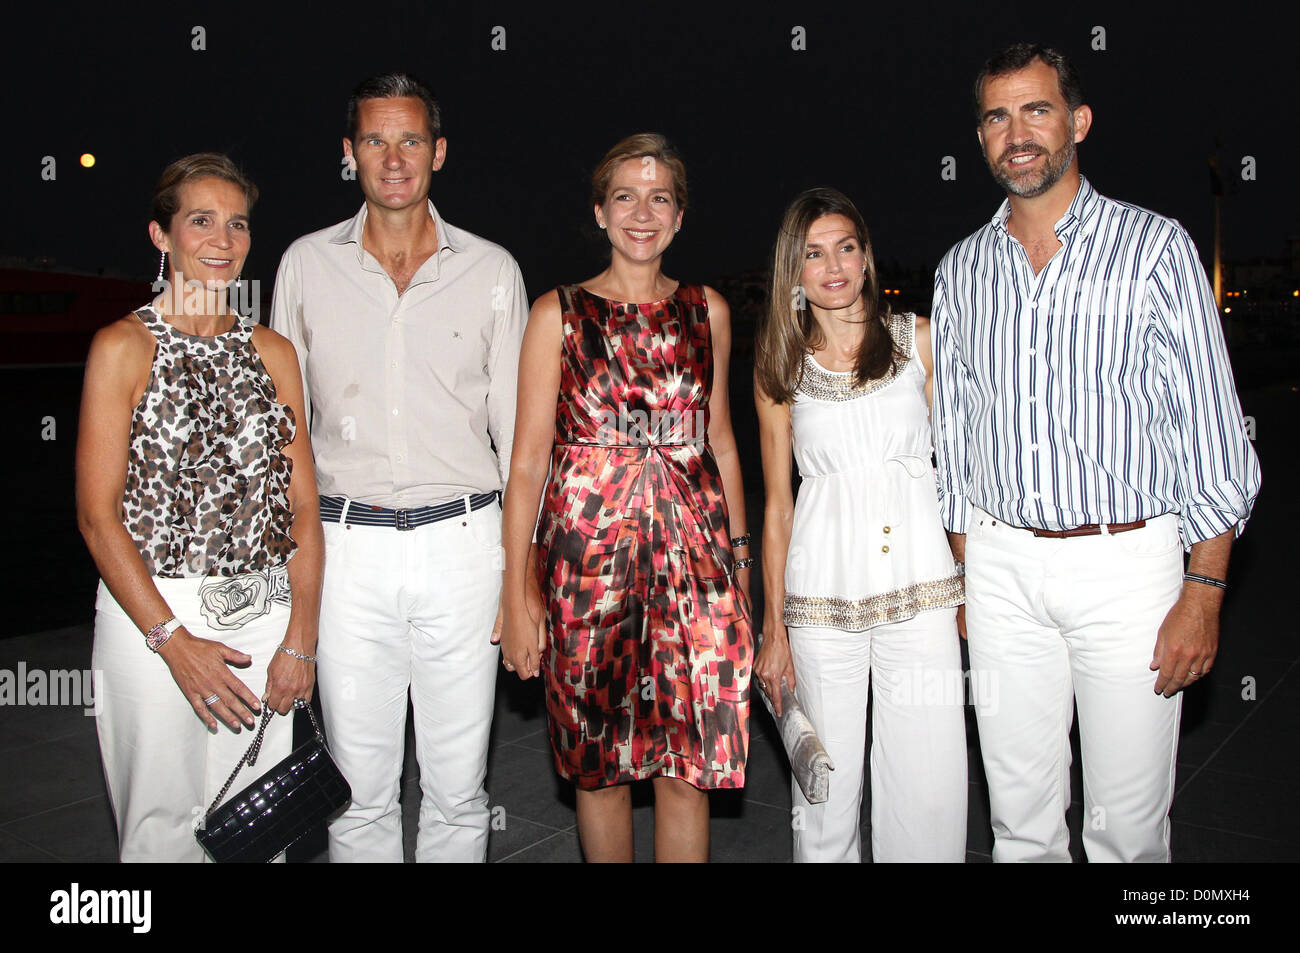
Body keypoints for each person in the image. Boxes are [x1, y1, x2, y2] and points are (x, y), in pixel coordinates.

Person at [931, 43, 1262, 862]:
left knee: (1127, 829)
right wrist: (972, 574)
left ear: (1076, 121)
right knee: (1020, 823)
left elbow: (1213, 437)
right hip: (1002, 569)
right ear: (980, 139)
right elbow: (956, 442)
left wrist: (1204, 592)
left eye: (1037, 110)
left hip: (1129, 570)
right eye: (998, 116)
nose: (1019, 133)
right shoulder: (960, 271)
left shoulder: (1155, 250)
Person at [270, 73, 528, 863]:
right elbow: (286, 441)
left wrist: (523, 582)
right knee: (356, 793)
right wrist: (292, 583)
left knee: (458, 792)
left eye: (410, 139)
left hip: (464, 545)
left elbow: (522, 446)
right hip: (348, 552)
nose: (394, 157)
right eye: (375, 140)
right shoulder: (305, 266)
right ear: (349, 155)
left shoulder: (492, 271)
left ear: (438, 151)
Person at [500, 133, 752, 862]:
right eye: (625, 197)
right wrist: (514, 592)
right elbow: (526, 466)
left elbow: (724, 445)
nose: (642, 212)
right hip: (587, 574)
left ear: (678, 217)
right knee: (599, 765)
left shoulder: (709, 312)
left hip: (698, 575)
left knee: (688, 767)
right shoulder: (559, 313)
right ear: (601, 213)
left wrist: (739, 565)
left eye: (660, 197)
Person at [78, 153, 322, 862]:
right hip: (152, 615)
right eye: (201, 221)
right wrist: (172, 641)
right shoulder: (122, 346)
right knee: (159, 831)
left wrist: (300, 637)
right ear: (162, 235)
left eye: (237, 223)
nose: (223, 239)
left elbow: (303, 503)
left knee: (259, 829)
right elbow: (98, 517)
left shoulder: (274, 351)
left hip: (266, 617)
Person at [751, 188, 967, 863]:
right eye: (813, 253)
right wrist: (773, 625)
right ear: (794, 271)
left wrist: (973, 584)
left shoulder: (920, 341)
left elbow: (960, 476)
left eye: (846, 247)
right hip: (819, 601)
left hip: (923, 594)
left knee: (928, 790)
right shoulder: (779, 370)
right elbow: (778, 504)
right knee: (824, 793)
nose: (834, 266)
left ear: (867, 256)